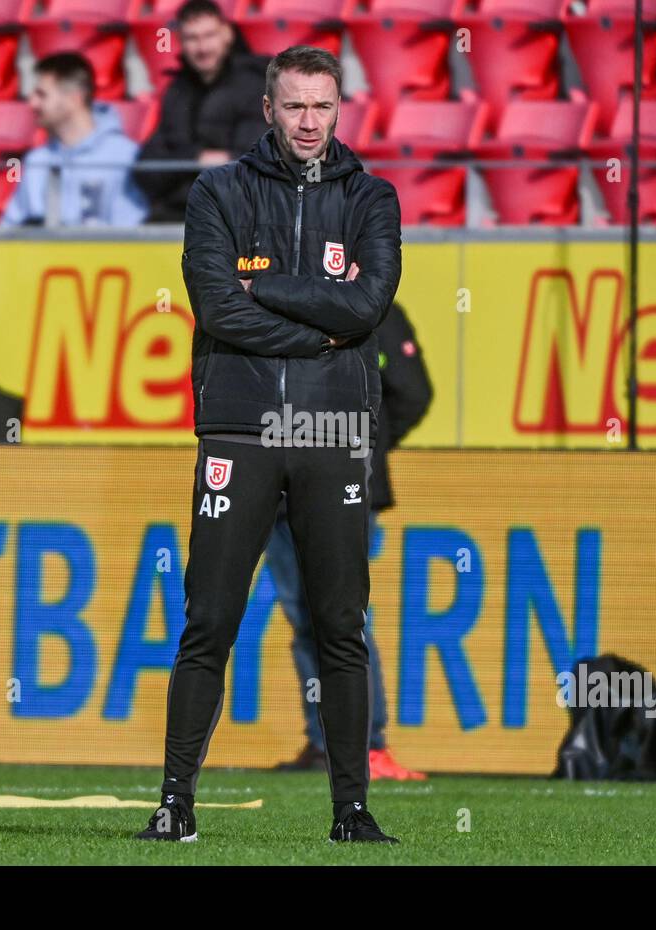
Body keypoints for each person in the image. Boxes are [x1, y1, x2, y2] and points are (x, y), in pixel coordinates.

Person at [135, 45, 403, 843]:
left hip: (330, 430)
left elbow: (368, 306)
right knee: (209, 618)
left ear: (339, 107)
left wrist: (277, 292)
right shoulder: (217, 190)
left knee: (341, 624)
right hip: (240, 427)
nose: (309, 122)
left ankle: (351, 811)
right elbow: (217, 309)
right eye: (295, 106)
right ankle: (176, 801)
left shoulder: (372, 197)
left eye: (322, 106)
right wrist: (319, 328)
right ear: (269, 109)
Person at [269, 302, 433, 781]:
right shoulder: (355, 301)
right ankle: (327, 742)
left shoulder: (368, 308)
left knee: (340, 618)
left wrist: (360, 444)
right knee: (312, 620)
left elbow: (412, 392)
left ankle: (365, 743)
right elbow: (413, 393)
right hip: (279, 489)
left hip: (325, 483)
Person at [132, 0, 270, 222]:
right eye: (192, 38)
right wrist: (197, 158)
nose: (202, 47)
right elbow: (147, 169)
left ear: (227, 34)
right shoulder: (176, 92)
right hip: (178, 213)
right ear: (180, 42)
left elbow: (253, 164)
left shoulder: (256, 85)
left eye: (209, 35)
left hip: (239, 215)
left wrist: (186, 162)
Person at [1, 52, 148, 227]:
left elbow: (131, 235)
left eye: (42, 94)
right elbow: (10, 231)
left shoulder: (125, 157)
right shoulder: (36, 161)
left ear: (74, 99)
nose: (32, 103)